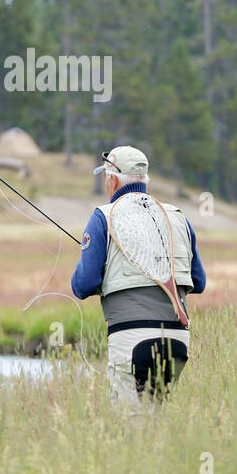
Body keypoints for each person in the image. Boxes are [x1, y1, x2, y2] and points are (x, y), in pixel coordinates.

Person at [71, 145, 206, 406]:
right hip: (178, 340)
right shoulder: (178, 217)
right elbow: (198, 282)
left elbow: (84, 284)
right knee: (157, 425)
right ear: (145, 180)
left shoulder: (103, 217)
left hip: (132, 338)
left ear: (111, 179)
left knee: (129, 430)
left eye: (104, 177)